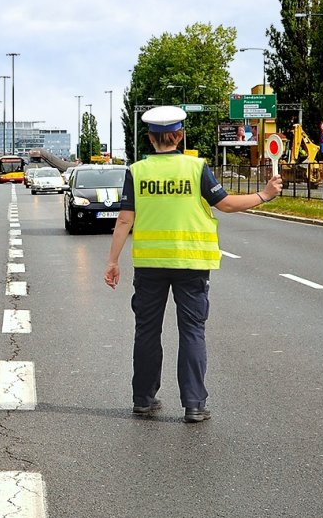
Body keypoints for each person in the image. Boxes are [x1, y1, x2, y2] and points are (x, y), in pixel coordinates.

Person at [104, 105, 282, 423]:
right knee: (192, 332)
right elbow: (225, 204)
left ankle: (143, 399)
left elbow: (124, 219)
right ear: (180, 135)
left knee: (146, 332)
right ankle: (194, 404)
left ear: (149, 138)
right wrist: (264, 195)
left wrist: (112, 260)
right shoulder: (196, 168)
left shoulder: (137, 171)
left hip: (150, 264)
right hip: (191, 263)